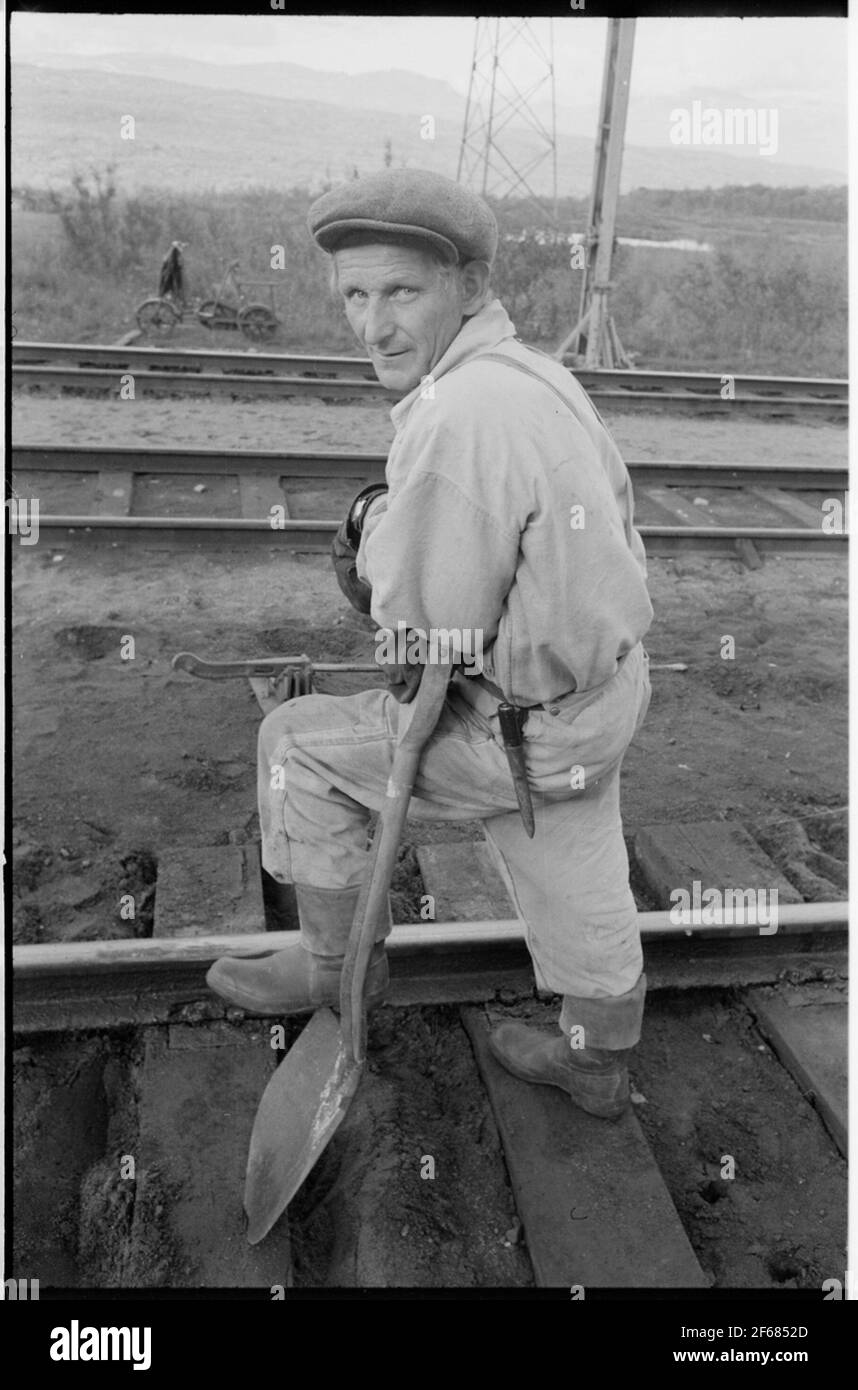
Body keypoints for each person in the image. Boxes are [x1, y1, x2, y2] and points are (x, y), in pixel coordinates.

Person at [208, 168, 654, 1120]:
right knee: (573, 859)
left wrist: (374, 539)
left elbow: (418, 627)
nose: (374, 326)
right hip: (598, 699)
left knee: (297, 747)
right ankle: (597, 1056)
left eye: (402, 292)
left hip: (520, 730)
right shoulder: (535, 373)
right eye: (356, 297)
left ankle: (333, 972)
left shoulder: (457, 418)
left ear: (468, 283)